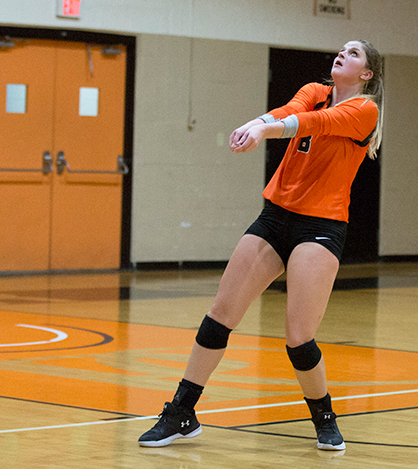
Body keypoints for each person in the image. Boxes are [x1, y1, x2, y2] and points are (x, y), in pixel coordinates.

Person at [137, 40, 383, 451]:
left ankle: (324, 417)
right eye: (342, 49)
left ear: (366, 74)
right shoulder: (314, 90)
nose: (342, 54)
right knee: (220, 315)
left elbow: (313, 124)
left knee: (298, 338)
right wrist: (256, 123)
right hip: (275, 216)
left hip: (320, 225)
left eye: (354, 53)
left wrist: (265, 130)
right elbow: (290, 110)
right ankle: (181, 412)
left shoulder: (364, 110)